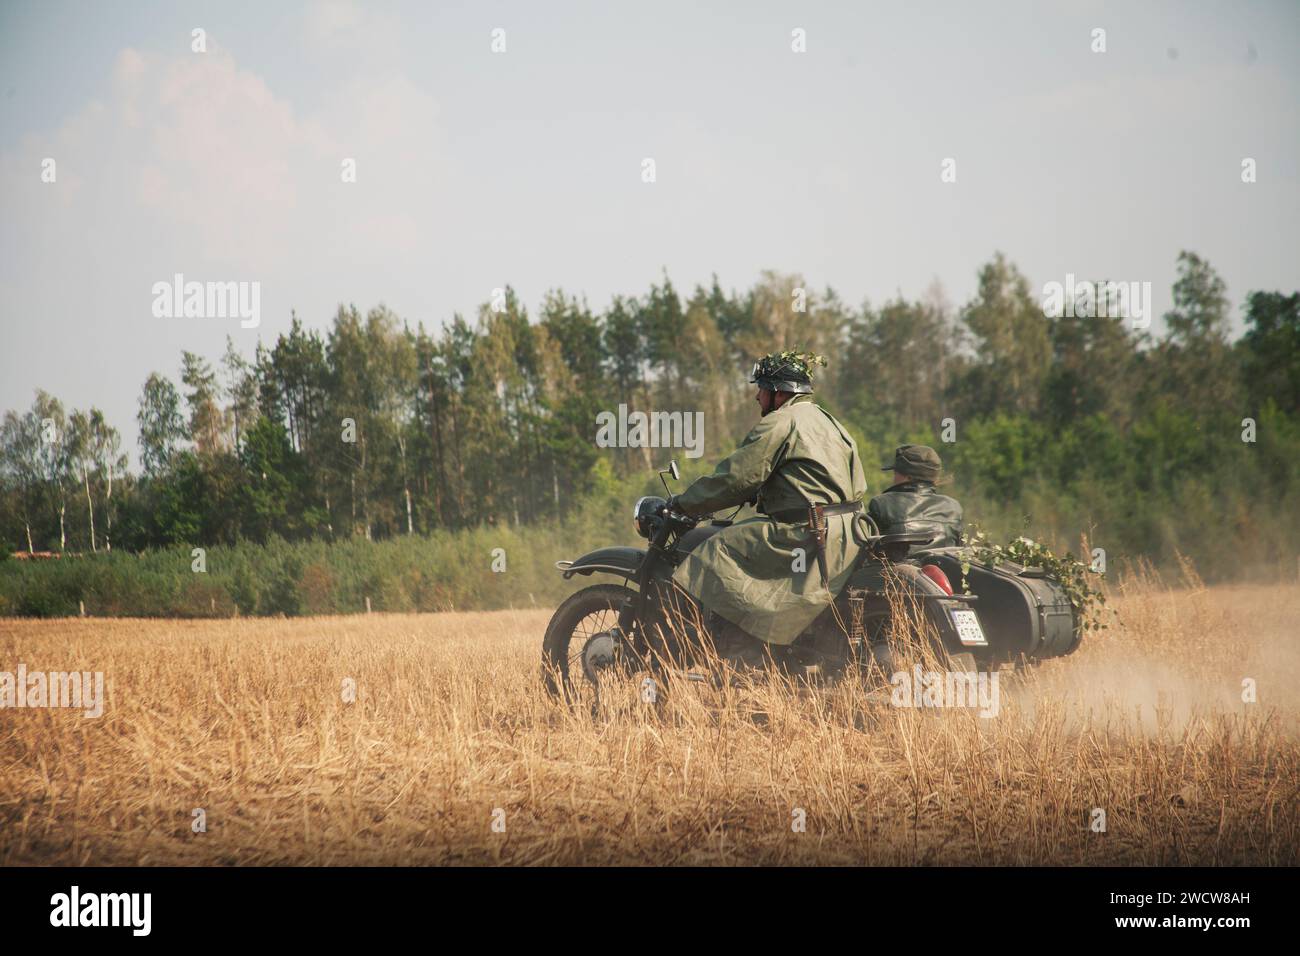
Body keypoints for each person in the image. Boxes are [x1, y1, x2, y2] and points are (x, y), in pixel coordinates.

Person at [667, 350, 866, 647]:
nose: (757, 398)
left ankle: (732, 645)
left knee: (713, 550)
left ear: (777, 392)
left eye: (761, 389)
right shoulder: (828, 421)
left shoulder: (780, 422)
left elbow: (734, 478)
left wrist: (683, 503)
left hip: (805, 531)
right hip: (847, 531)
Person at [866, 444, 963, 547]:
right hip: (943, 563)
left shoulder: (882, 505)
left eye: (895, 473)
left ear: (908, 476)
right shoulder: (954, 508)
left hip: (896, 563)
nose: (893, 479)